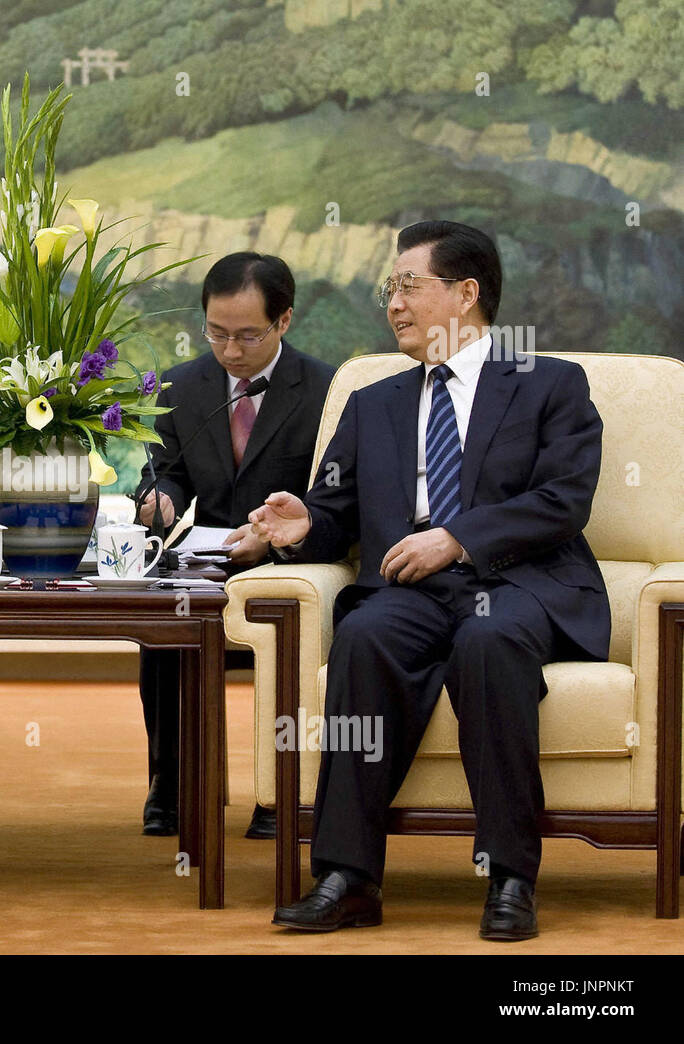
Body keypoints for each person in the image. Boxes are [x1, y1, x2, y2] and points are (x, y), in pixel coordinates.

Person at [253, 220, 609, 941]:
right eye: (390, 289)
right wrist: (303, 524)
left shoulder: (549, 383)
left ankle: (511, 876)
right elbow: (336, 513)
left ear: (467, 293)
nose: (394, 303)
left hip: (517, 582)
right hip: (408, 593)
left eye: (408, 285)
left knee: (489, 640)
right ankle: (348, 876)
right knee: (363, 634)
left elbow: (563, 499)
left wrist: (458, 539)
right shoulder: (373, 403)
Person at [134, 253, 335, 836]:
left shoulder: (328, 389)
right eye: (217, 333)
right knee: (162, 628)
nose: (231, 350)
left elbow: (337, 495)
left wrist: (274, 540)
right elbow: (163, 471)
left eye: (248, 335)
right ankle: (169, 785)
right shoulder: (181, 385)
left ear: (285, 321)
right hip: (207, 560)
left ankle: (280, 794)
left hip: (289, 562)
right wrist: (159, 498)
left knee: (288, 634)